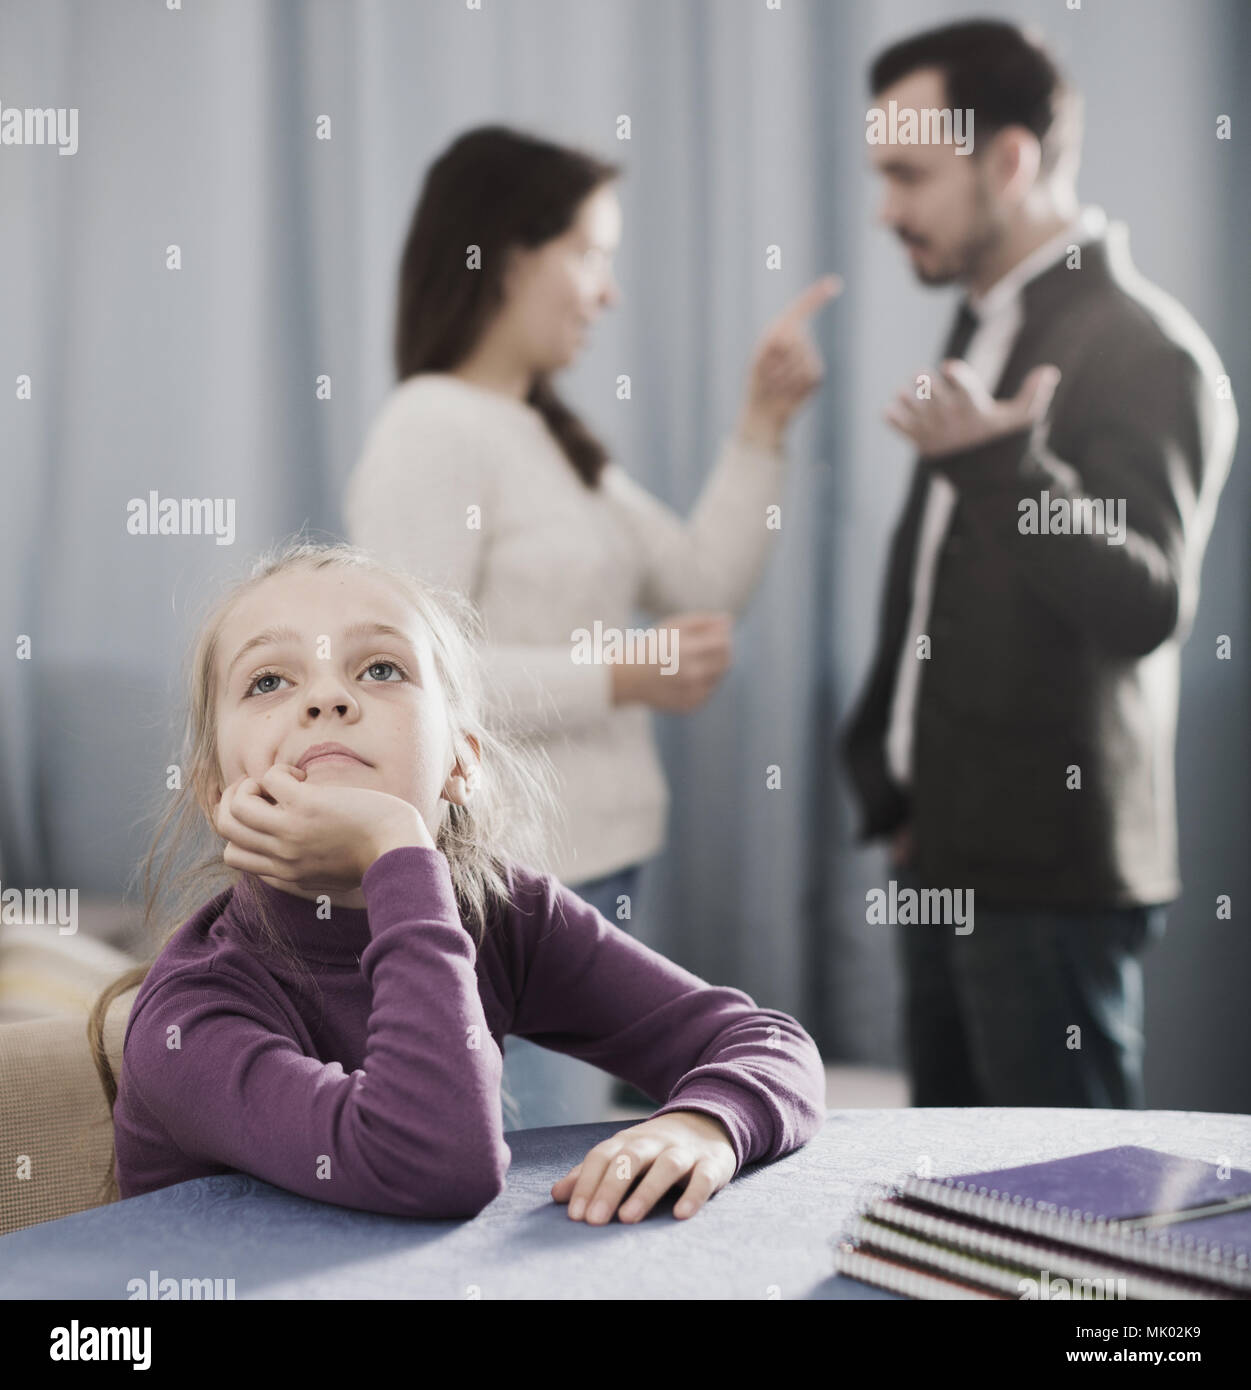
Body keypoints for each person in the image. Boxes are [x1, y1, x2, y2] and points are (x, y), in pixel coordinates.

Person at [87, 539, 827, 1224]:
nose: (326, 701)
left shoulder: (504, 914)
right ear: (218, 791)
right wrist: (396, 849)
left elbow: (763, 1041)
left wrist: (707, 1121)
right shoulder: (189, 1014)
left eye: (380, 669)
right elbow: (433, 1162)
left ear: (460, 764)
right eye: (269, 680)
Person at [343, 124, 837, 1126]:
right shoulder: (430, 429)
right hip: (516, 880)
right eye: (592, 254)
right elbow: (411, 682)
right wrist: (621, 673)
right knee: (526, 1174)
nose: (609, 292)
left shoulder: (554, 440)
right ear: (509, 254)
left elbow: (702, 579)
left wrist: (762, 427)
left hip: (606, 861)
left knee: (571, 1153)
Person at [841, 21, 1236, 1107]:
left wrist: (1001, 464)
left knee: (1070, 1239)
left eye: (908, 174)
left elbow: (1145, 600)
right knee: (956, 1233)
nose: (887, 209)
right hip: (943, 853)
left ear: (1008, 159)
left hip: (1049, 877)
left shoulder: (1147, 348)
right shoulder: (985, 327)